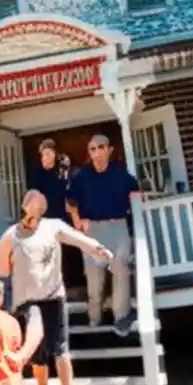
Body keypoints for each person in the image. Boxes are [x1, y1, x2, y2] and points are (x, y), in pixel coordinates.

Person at [0, 189, 112, 385]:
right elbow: (1, 271)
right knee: (38, 358)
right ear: (24, 206)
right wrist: (2, 303)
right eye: (32, 204)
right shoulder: (10, 236)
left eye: (41, 206)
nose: (36, 209)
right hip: (26, 301)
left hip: (53, 296)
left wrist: (98, 249)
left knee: (60, 349)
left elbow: (78, 239)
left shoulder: (53, 226)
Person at [66, 133, 141, 337]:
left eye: (101, 148)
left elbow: (136, 197)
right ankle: (94, 320)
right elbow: (70, 203)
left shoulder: (122, 176)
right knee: (94, 279)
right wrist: (78, 222)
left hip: (117, 227)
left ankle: (121, 317)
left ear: (109, 150)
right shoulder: (82, 177)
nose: (97, 152)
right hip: (93, 231)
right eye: (92, 149)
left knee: (121, 268)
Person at [29, 138, 70, 220]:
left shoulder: (61, 171)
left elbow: (66, 189)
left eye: (47, 154)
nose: (44, 158)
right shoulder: (37, 173)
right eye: (42, 155)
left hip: (61, 216)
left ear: (54, 154)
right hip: (44, 218)